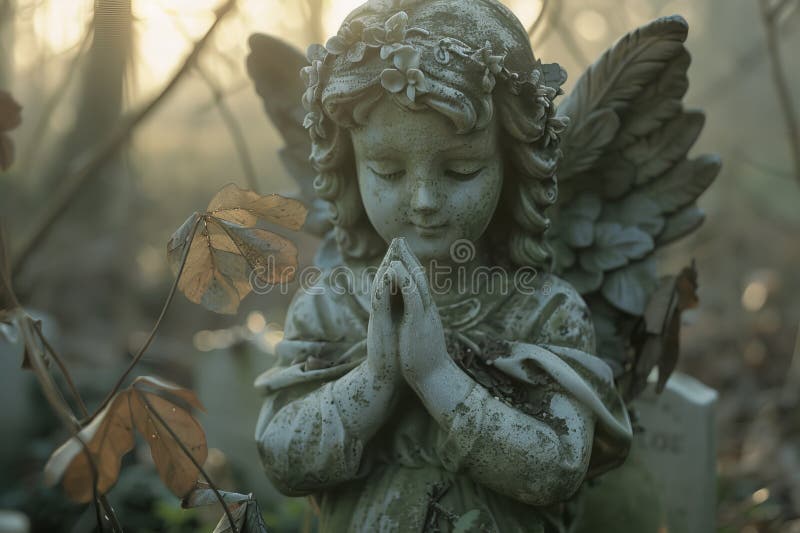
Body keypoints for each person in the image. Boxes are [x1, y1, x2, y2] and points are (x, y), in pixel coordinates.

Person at [255, 0, 632, 530]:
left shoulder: (544, 311)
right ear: (347, 166)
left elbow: (558, 468)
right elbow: (282, 459)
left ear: (513, 166)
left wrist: (435, 376)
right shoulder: (332, 307)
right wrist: (377, 378)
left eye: (461, 170)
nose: (425, 200)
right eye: (387, 171)